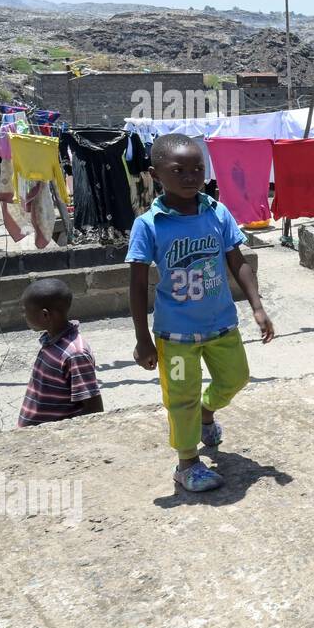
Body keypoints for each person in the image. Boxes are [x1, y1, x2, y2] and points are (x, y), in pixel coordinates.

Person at [126, 133, 275, 493]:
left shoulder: (216, 212)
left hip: (221, 324)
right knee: (181, 397)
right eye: (179, 170)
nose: (191, 176)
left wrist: (257, 306)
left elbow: (236, 260)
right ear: (155, 174)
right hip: (174, 336)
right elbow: (136, 283)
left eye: (197, 168)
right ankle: (187, 463)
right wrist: (142, 339)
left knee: (236, 378)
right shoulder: (149, 225)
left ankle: (207, 412)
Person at [16, 277, 103, 427]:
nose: (23, 315)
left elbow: (94, 409)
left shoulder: (75, 354)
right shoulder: (52, 341)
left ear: (45, 315)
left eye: (25, 311)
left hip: (51, 439)